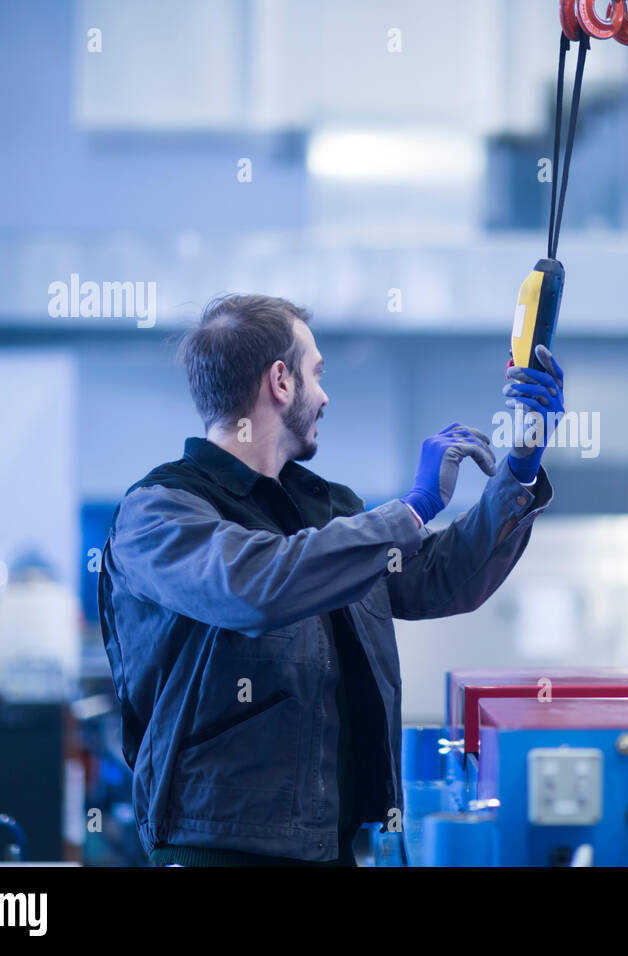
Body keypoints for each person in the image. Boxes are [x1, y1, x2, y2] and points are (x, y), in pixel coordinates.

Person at [97, 294, 564, 865]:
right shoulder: (160, 512)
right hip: (217, 851)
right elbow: (257, 583)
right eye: (316, 374)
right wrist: (414, 507)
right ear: (280, 382)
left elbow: (440, 578)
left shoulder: (328, 510)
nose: (325, 396)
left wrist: (520, 467)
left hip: (332, 847)